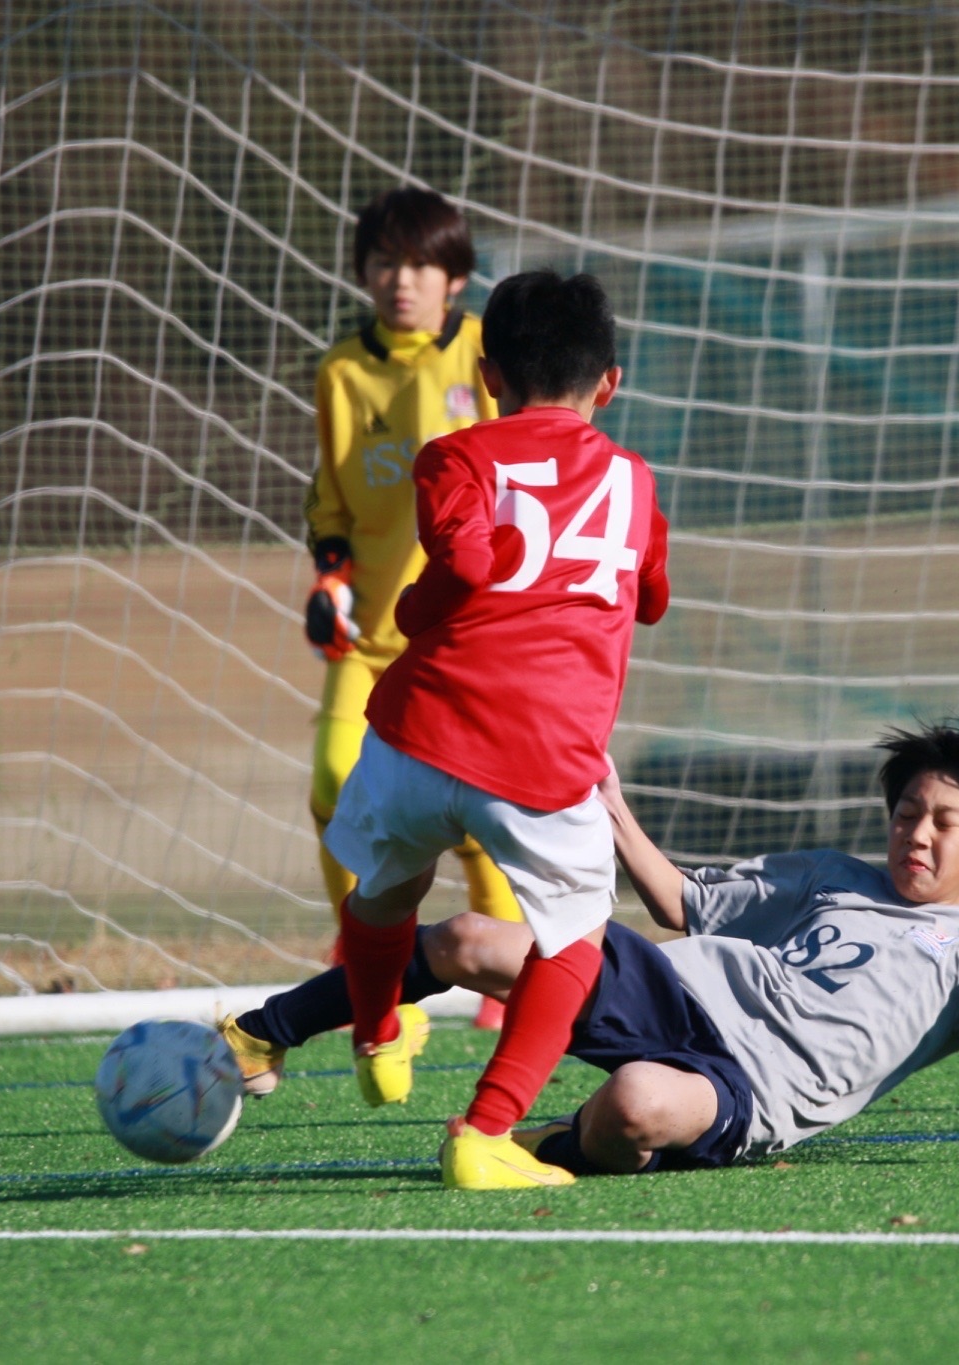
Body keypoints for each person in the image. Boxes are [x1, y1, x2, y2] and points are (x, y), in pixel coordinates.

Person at [224, 717, 959, 1174]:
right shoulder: (827, 873)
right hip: (672, 986)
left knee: (636, 1107)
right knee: (467, 937)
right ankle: (264, 1031)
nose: (915, 834)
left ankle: (549, 1142)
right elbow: (683, 903)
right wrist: (612, 805)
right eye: (905, 813)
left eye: (943, 822)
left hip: (752, 1091)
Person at [321, 267, 671, 1190]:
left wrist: (417, 604)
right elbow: (652, 598)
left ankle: (377, 1033)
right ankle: (485, 1131)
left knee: (383, 894)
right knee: (574, 941)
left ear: (487, 374)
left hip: (419, 731)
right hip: (541, 759)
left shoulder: (455, 456)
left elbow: (466, 565)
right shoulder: (634, 481)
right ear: (609, 383)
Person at [292, 186, 522, 1043]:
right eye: (385, 262)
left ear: (456, 278)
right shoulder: (342, 371)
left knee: (476, 798)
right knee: (331, 781)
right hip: (372, 637)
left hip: (466, 634)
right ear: (363, 273)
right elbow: (331, 497)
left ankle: (500, 952)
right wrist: (329, 577)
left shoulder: (485, 355)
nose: (401, 280)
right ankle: (363, 947)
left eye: (422, 264)